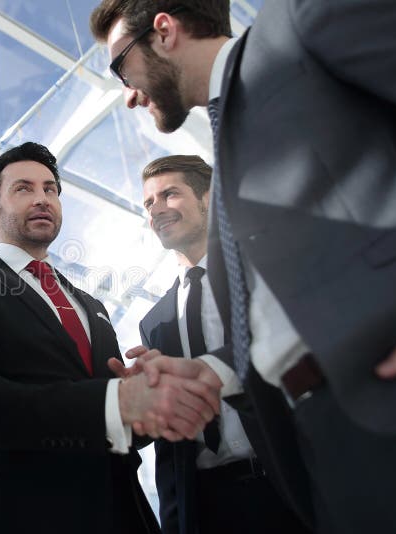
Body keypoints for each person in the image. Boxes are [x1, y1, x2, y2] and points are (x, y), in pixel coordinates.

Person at [90, 1, 396, 533]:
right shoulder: (224, 163)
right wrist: (211, 373)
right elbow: (274, 321)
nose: (127, 93)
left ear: (163, 31)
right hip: (324, 447)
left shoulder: (299, 28)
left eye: (121, 65)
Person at [0, 142, 221, 534]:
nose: (42, 199)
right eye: (24, 189)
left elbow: (111, 417)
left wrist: (147, 395)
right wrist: (116, 401)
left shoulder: (91, 305)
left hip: (125, 510)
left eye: (50, 189)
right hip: (27, 511)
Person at [129, 154, 310, 534]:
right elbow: (170, 448)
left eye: (170, 194)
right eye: (149, 203)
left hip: (293, 486)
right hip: (211, 509)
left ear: (207, 197)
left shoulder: (264, 269)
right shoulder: (154, 323)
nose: (157, 209)